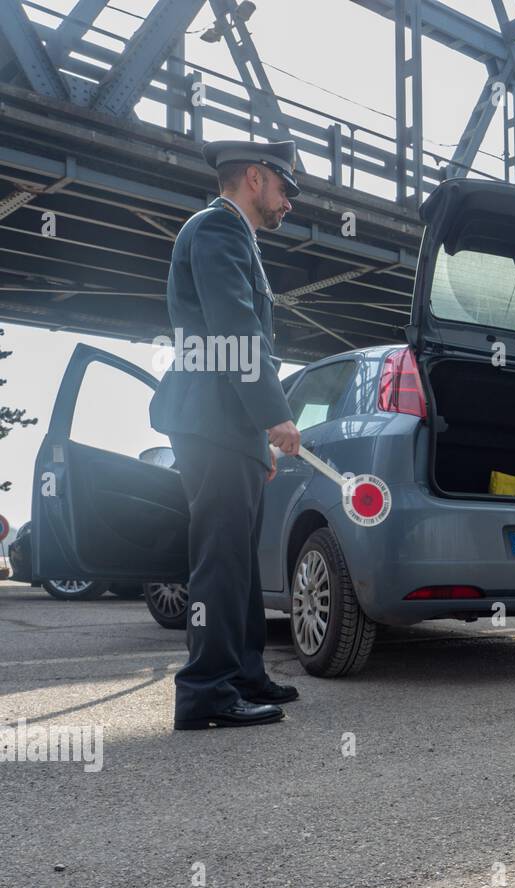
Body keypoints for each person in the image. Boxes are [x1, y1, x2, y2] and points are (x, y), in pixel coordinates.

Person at [149, 139, 303, 731]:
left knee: (236, 558)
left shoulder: (233, 234)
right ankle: (204, 691)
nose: (289, 203)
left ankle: (242, 673)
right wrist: (273, 413)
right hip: (212, 419)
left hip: (225, 423)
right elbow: (236, 328)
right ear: (256, 179)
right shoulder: (218, 230)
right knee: (219, 556)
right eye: (285, 189)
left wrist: (256, 438)